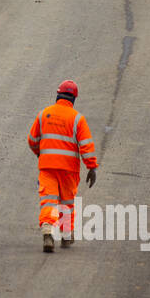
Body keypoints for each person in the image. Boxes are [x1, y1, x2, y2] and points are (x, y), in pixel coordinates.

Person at [28, 80, 97, 252]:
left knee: (48, 200)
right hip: (68, 170)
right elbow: (86, 146)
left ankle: (47, 231)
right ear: (74, 98)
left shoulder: (44, 114)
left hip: (48, 166)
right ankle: (66, 236)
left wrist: (40, 153)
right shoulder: (77, 119)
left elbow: (32, 140)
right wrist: (92, 167)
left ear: (58, 95)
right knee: (66, 202)